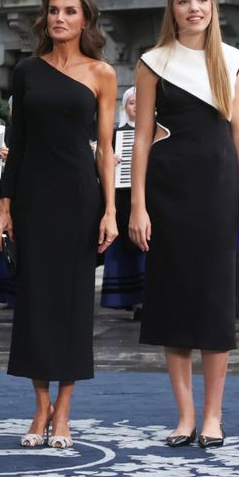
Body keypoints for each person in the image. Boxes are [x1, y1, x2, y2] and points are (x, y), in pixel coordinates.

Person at [129, 0, 239, 449]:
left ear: (212, 7)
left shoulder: (233, 58)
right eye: (184, 1)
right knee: (174, 300)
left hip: (219, 190)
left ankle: (213, 416)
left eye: (202, 0)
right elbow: (141, 138)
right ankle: (185, 415)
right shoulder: (152, 61)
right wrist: (137, 205)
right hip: (167, 191)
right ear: (173, 9)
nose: (194, 9)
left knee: (214, 303)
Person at [0, 0, 118, 449]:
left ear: (85, 20)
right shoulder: (27, 71)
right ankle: (40, 405)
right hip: (32, 197)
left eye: (70, 11)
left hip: (80, 197)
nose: (60, 18)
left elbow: (105, 150)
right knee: (35, 302)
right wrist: (5, 205)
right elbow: (18, 143)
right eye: (53, 11)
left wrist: (111, 210)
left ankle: (63, 409)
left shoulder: (102, 73)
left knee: (73, 305)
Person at [101, 87, 145, 318]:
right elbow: (100, 161)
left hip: (146, 196)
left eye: (140, 102)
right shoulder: (116, 135)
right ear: (125, 107)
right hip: (122, 197)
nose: (135, 107)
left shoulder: (153, 133)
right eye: (131, 103)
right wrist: (109, 160)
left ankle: (146, 299)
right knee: (125, 248)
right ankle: (131, 299)